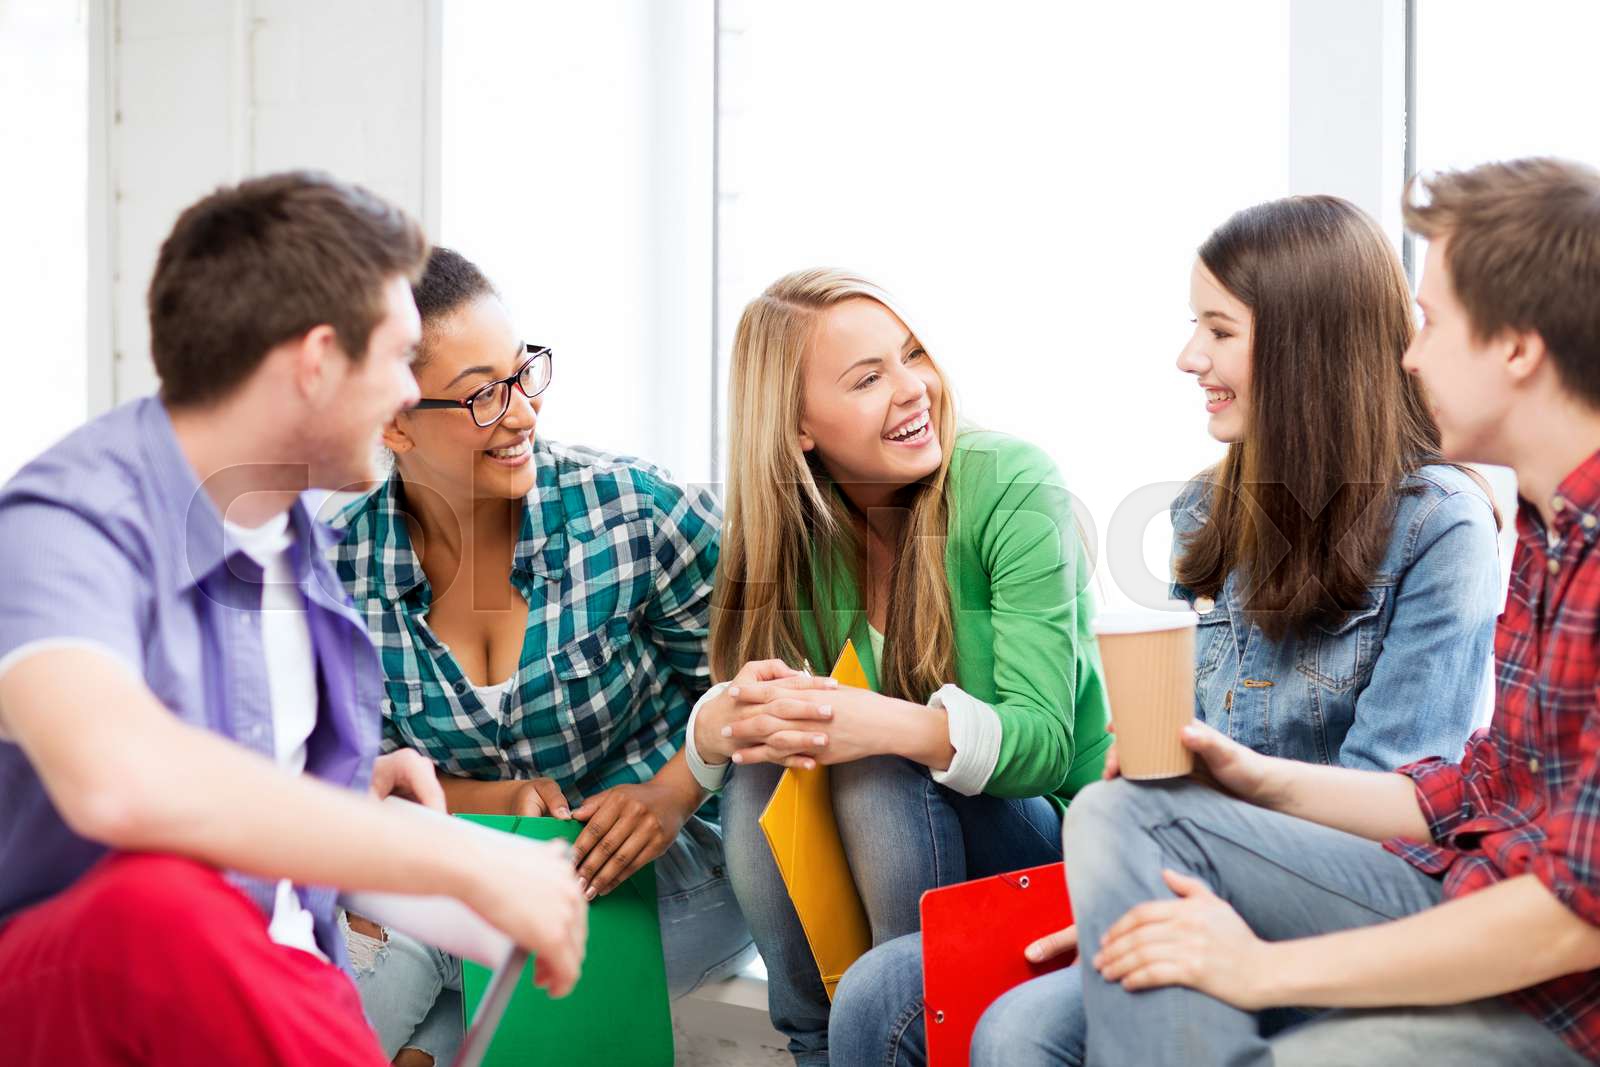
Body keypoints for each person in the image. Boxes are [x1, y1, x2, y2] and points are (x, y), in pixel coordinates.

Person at [0, 173, 586, 1067]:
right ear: (316, 361)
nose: (405, 399)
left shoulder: (294, 538)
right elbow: (116, 781)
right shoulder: (63, 525)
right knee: (160, 901)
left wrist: (344, 789)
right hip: (88, 991)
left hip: (278, 970)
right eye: (398, 358)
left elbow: (245, 806)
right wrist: (462, 862)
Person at [1062, 158, 1600, 1065]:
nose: (1409, 352)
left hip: (1551, 989)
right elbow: (1469, 792)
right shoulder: (1553, 540)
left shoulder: (1465, 525)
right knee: (1087, 886)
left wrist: (1258, 968)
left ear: (1516, 347)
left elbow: (1576, 914)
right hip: (1464, 886)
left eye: (1430, 323)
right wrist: (1247, 778)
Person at [970, 194, 1504, 1065]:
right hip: (1204, 866)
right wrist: (1130, 875)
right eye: (1195, 326)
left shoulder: (1439, 523)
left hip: (1349, 897)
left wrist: (1159, 855)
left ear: (1308, 346)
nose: (1188, 357)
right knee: (1009, 1028)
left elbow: (1396, 805)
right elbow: (1193, 756)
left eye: (1219, 330)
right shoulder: (1204, 510)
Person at [330, 246, 753, 1066]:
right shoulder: (339, 570)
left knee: (390, 951)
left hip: (661, 875)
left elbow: (774, 675)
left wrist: (673, 791)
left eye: (524, 375)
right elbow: (343, 775)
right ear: (392, 421)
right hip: (463, 881)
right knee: (402, 937)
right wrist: (486, 795)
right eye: (484, 394)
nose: (522, 413)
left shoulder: (628, 512)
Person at [679, 267, 1113, 1064]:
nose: (914, 389)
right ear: (799, 426)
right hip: (890, 853)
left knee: (877, 760)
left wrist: (879, 722)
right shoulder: (796, 531)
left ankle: (901, 1025)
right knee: (761, 767)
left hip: (1047, 850)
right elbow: (751, 731)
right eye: (869, 377)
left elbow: (1046, 744)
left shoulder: (1010, 481)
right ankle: (817, 1042)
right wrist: (717, 723)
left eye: (912, 355)